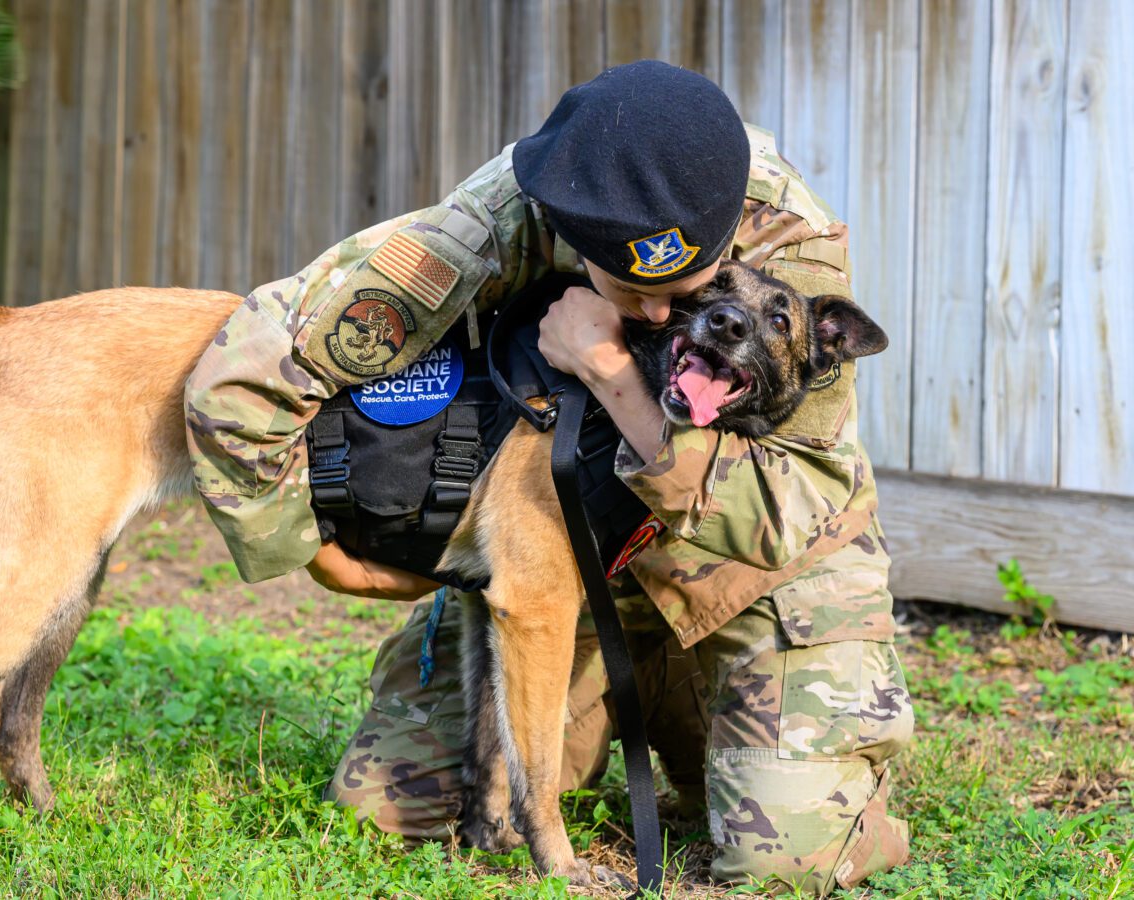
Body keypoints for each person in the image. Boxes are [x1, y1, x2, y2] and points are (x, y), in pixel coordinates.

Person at [183, 60, 912, 894]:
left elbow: (789, 514)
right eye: (630, 290)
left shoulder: (791, 238)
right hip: (574, 543)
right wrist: (309, 547)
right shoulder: (519, 206)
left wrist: (610, 369)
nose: (653, 316)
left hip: (760, 559)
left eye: (684, 291)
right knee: (386, 810)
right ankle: (638, 671)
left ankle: (697, 687)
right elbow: (240, 372)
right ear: (574, 234)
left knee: (789, 859)